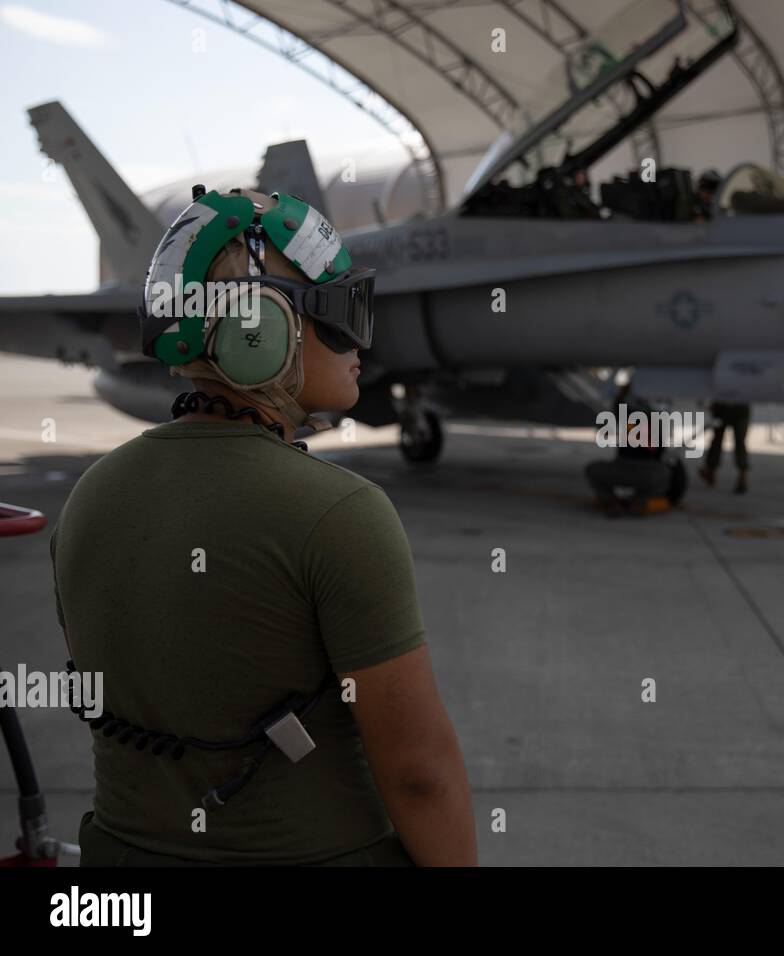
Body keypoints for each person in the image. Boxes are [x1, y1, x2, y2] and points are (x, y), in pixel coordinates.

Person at [50, 186, 476, 866]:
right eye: (339, 315)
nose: (360, 342)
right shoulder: (341, 515)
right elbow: (419, 773)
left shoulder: (88, 497)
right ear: (261, 328)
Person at [585, 384, 678, 516]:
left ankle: (611, 500)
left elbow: (614, 413)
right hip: (647, 474)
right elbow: (660, 455)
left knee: (592, 469)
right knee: (666, 474)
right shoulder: (657, 423)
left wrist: (624, 393)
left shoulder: (626, 418)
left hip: (620, 469)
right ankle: (639, 502)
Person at [698, 400, 751, 493]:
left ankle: (741, 476)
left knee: (732, 442)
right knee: (721, 441)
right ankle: (711, 471)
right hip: (726, 408)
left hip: (732, 407)